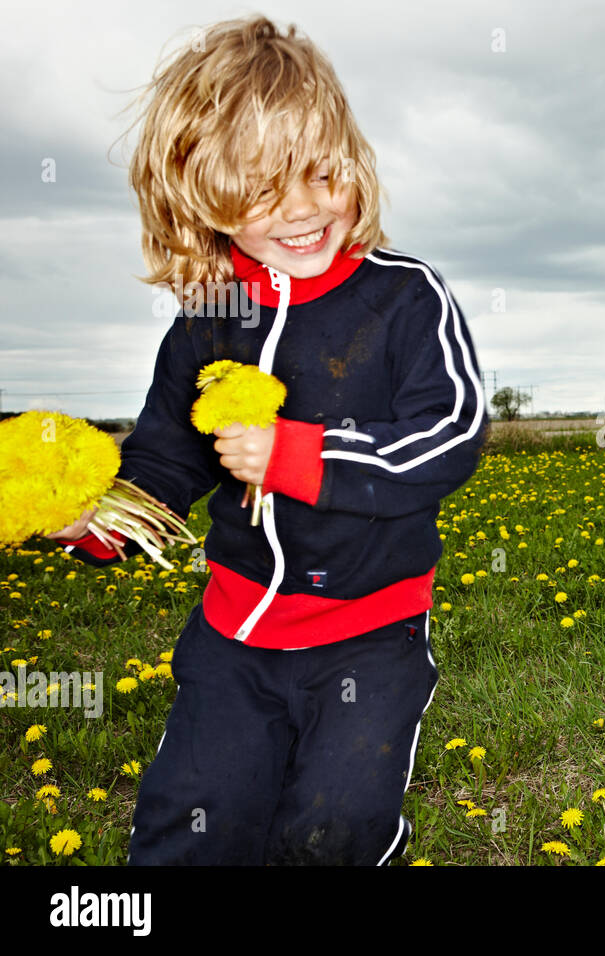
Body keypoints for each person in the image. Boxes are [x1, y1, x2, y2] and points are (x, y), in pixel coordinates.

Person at [48, 15, 485, 864]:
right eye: (261, 189)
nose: (304, 207)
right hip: (234, 634)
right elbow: (164, 457)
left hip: (370, 631)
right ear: (200, 197)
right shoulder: (209, 319)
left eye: (323, 172)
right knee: (194, 819)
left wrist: (299, 455)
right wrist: (101, 521)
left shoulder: (406, 300)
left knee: (337, 825)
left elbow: (452, 434)